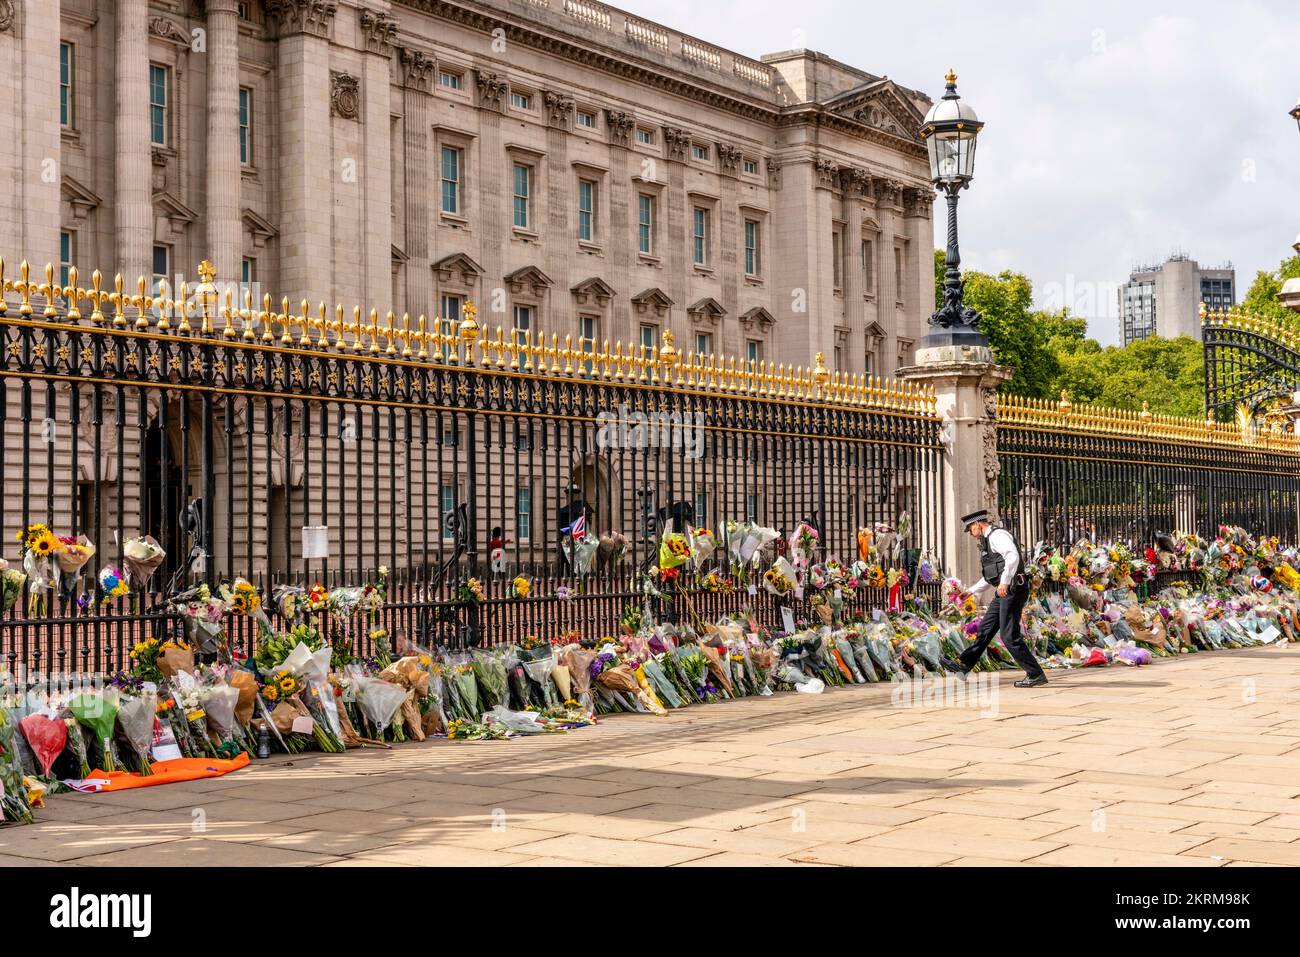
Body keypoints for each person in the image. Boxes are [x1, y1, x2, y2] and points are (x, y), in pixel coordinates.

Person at [945, 509, 1047, 688]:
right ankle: (964, 665)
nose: (971, 533)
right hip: (1005, 591)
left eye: (970, 529)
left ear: (978, 524)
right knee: (985, 629)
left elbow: (1012, 557)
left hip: (1013, 589)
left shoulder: (997, 536)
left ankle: (1035, 673)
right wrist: (971, 591)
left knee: (1009, 636)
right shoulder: (987, 542)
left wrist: (1005, 582)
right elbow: (991, 574)